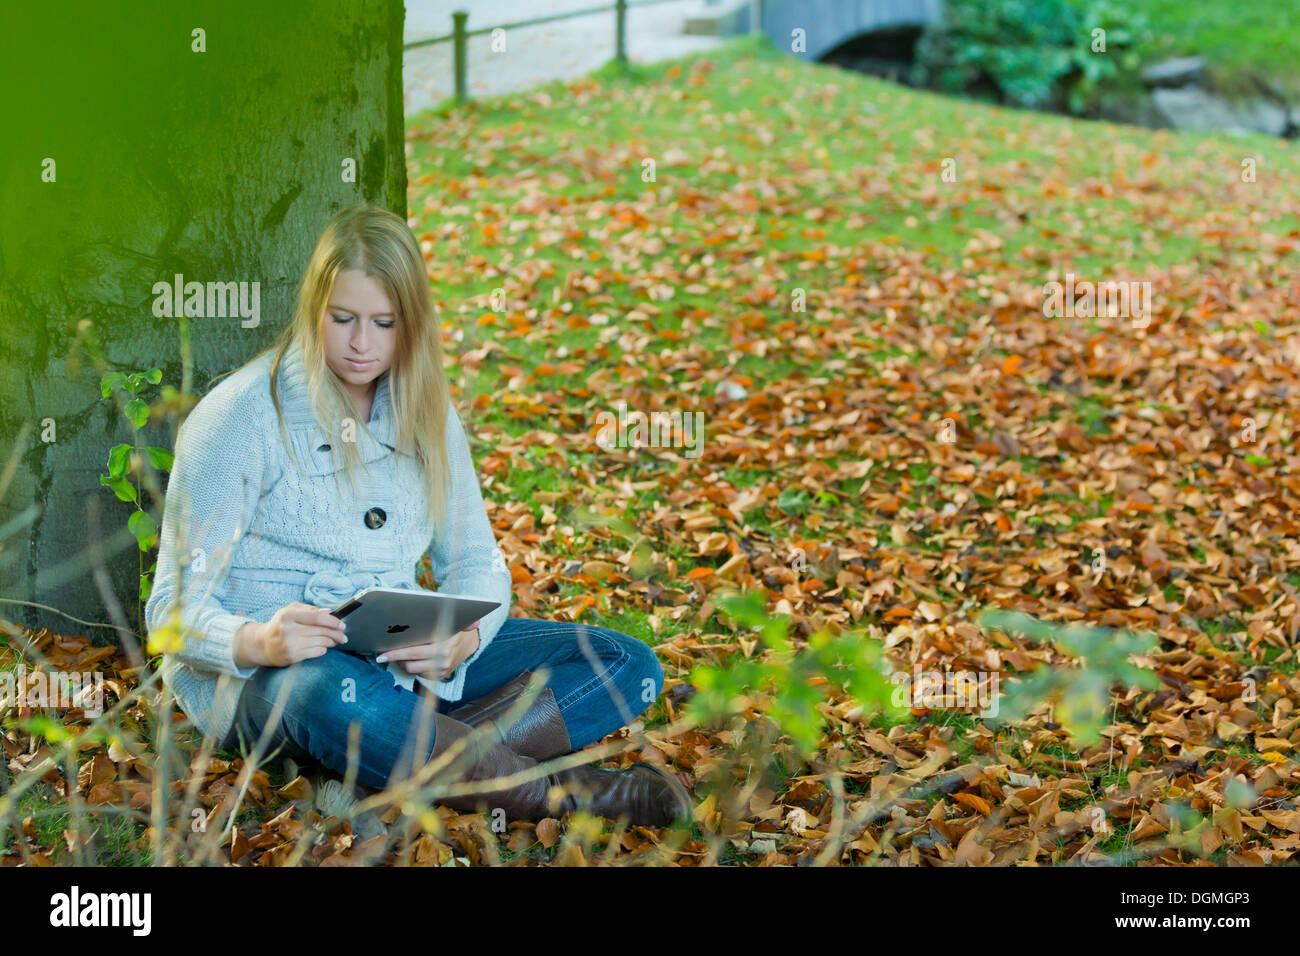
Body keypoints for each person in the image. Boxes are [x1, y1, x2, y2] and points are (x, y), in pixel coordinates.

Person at [144, 204, 691, 829]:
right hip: (273, 678)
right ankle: (567, 795)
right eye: (342, 319)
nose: (360, 344)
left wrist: (463, 641)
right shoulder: (240, 415)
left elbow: (477, 561)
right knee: (327, 692)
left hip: (394, 659)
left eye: (384, 324)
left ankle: (380, 772)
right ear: (312, 309)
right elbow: (168, 615)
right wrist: (259, 641)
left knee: (627, 667)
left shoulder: (425, 407)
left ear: (412, 325)